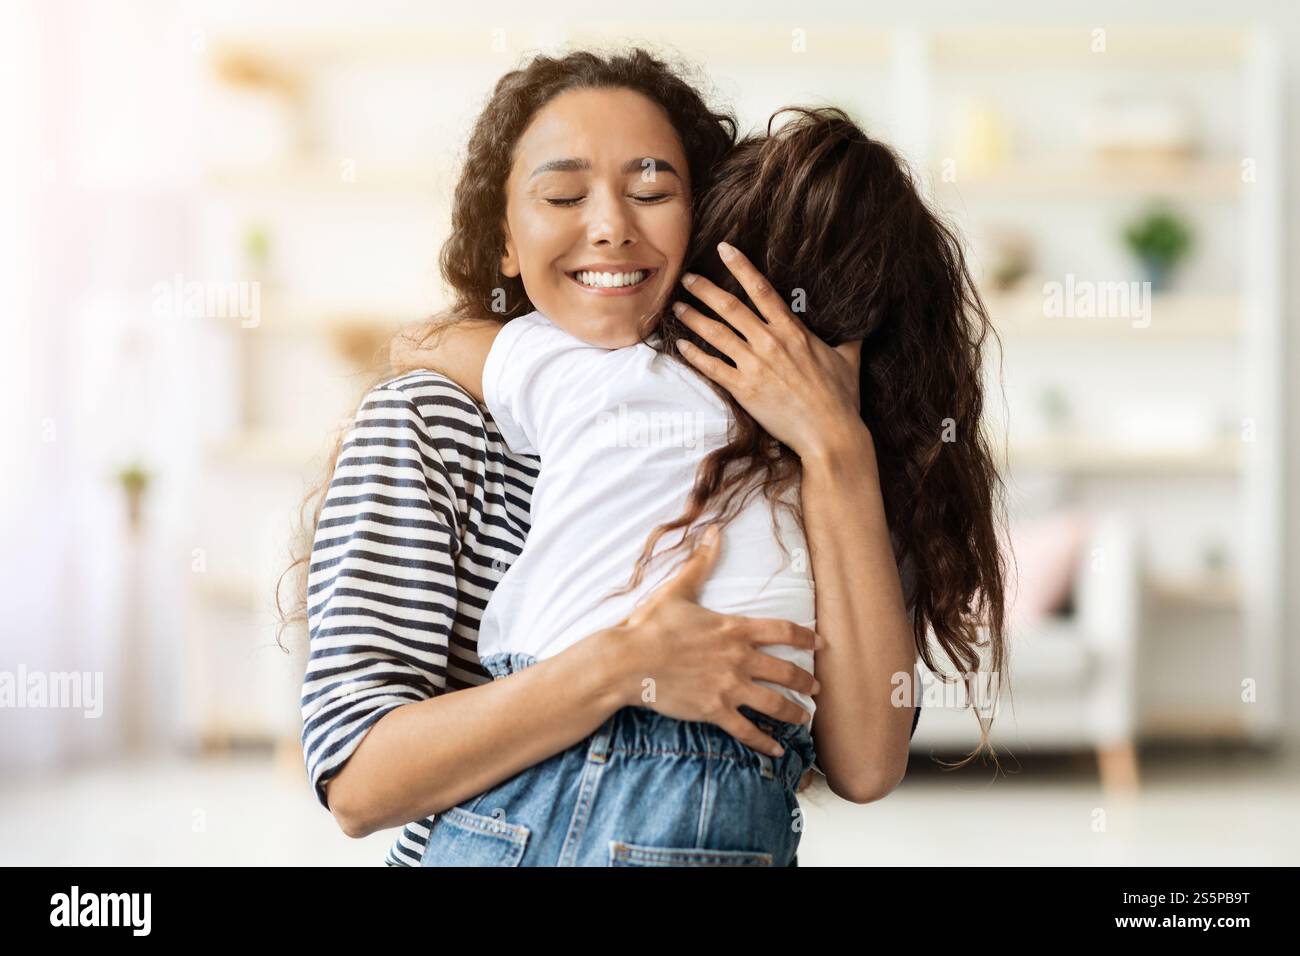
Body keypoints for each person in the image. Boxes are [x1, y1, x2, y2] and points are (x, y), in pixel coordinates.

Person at [288, 48, 1006, 866]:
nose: (610, 227)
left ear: (707, 222)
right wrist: (625, 664)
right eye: (562, 195)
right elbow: (356, 784)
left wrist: (836, 449)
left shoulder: (820, 436)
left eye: (654, 191)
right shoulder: (428, 421)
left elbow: (868, 761)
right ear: (505, 243)